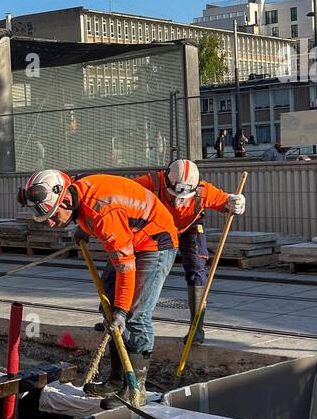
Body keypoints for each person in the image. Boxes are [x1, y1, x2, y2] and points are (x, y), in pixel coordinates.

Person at [18, 169, 179, 405]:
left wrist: (122, 311)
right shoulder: (79, 195)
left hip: (155, 242)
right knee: (109, 309)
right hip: (132, 237)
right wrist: (83, 228)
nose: (52, 224)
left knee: (134, 316)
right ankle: (116, 378)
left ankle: (135, 389)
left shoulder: (103, 213)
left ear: (64, 200)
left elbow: (126, 269)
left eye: (53, 216)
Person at [132, 159, 245, 345]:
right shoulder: (149, 183)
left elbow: (225, 202)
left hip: (189, 227)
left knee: (196, 268)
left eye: (183, 198)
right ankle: (116, 316)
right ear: (166, 181)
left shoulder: (203, 191)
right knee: (135, 267)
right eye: (172, 195)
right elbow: (120, 192)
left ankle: (197, 328)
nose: (177, 202)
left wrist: (236, 203)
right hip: (157, 229)